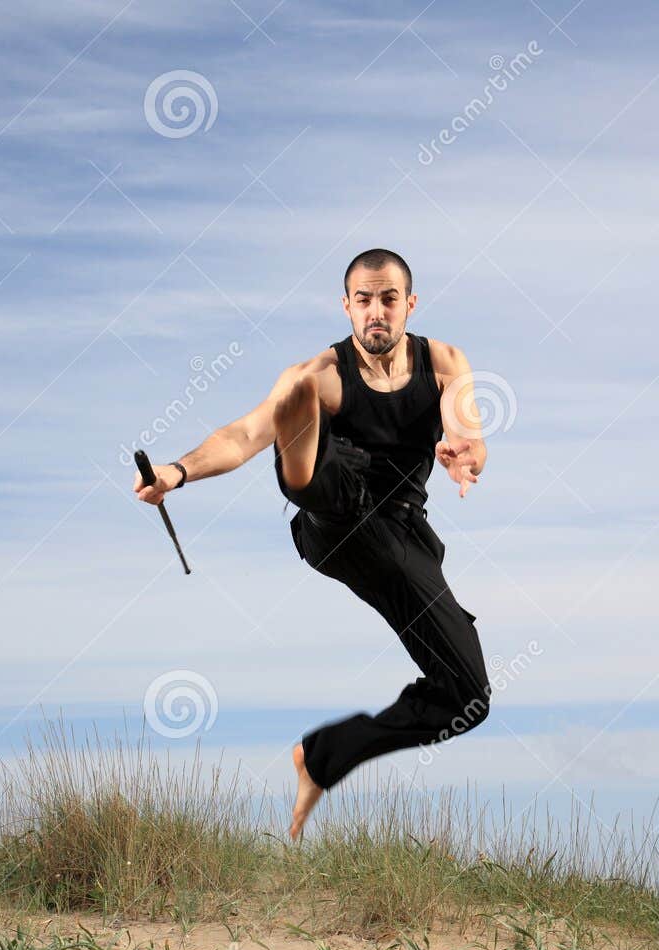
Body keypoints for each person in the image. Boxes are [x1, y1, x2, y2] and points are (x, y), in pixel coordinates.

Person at [133, 248, 491, 840]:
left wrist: (466, 452)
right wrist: (176, 471)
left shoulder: (446, 362)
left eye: (389, 299)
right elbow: (243, 434)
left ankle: (323, 756)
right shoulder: (322, 372)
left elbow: (468, 431)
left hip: (403, 536)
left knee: (467, 696)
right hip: (333, 522)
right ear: (346, 307)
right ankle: (300, 455)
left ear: (410, 304)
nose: (377, 312)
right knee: (325, 456)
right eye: (364, 300)